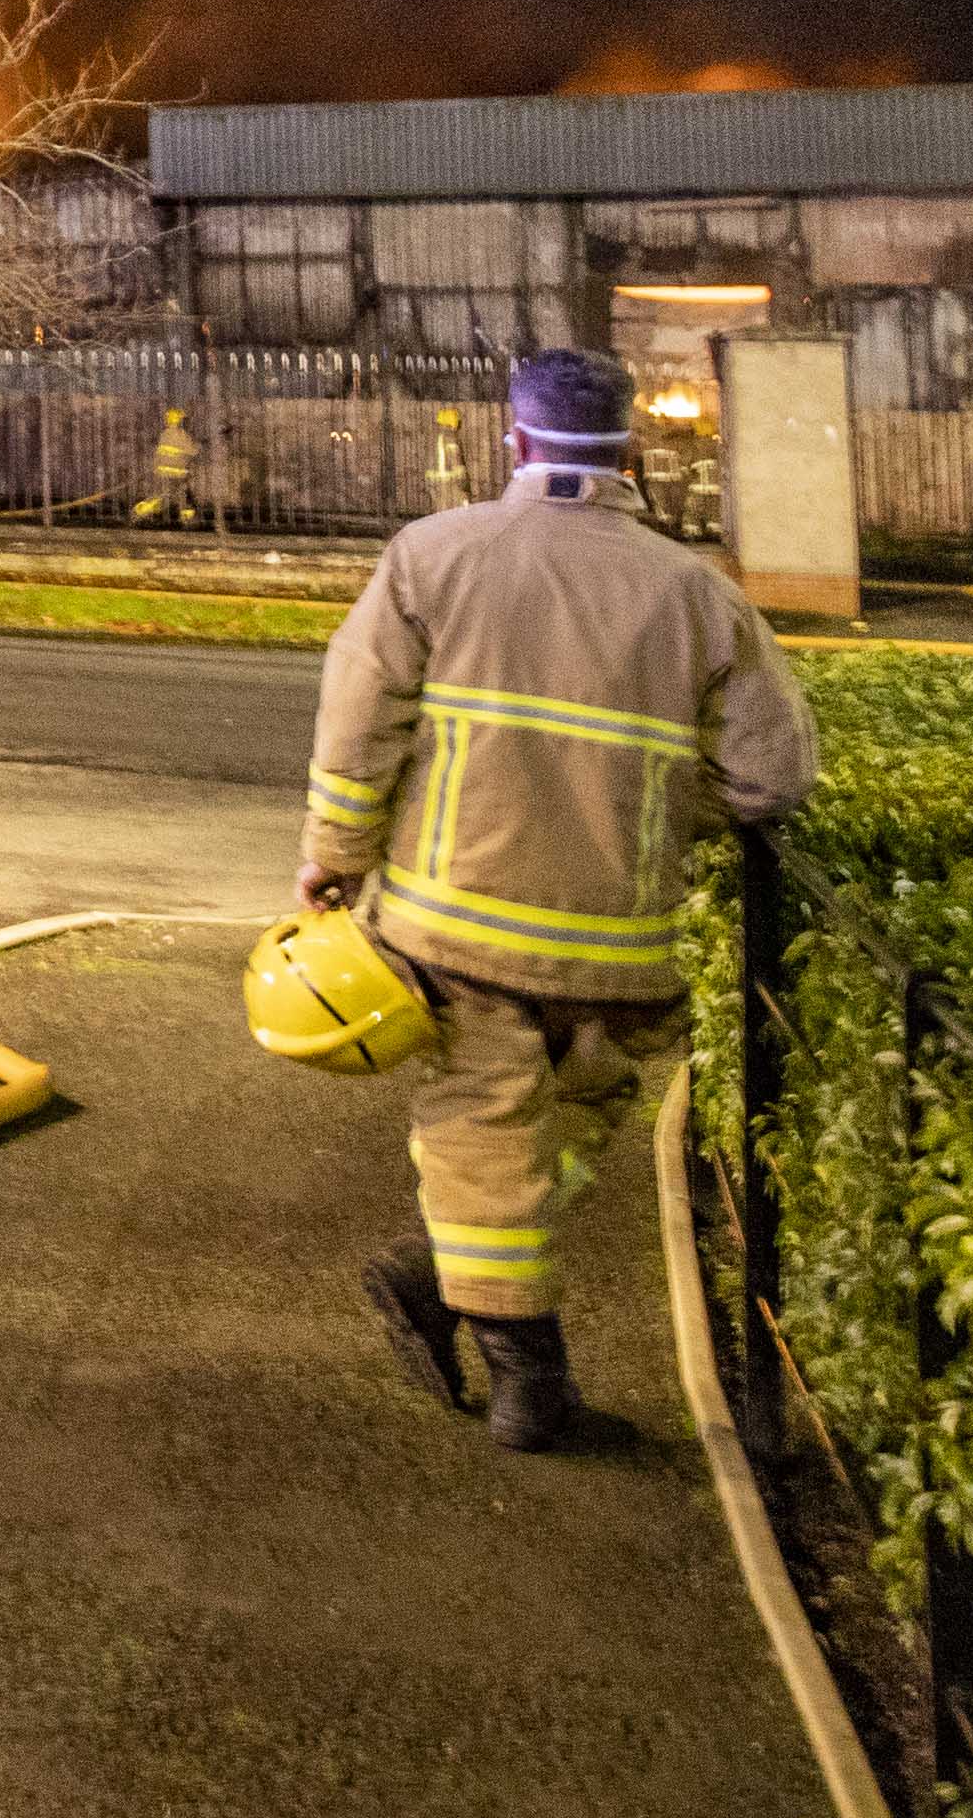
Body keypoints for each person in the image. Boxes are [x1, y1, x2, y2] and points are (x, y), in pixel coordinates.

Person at [299, 347, 814, 1449]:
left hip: (451, 929)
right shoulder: (698, 594)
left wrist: (333, 857)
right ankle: (462, 1291)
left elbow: (358, 728)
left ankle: (522, 1382)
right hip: (620, 947)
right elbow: (772, 778)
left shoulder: (434, 555)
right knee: (579, 1113)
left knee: (483, 1139)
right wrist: (656, 810)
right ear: (632, 451)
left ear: (516, 440)